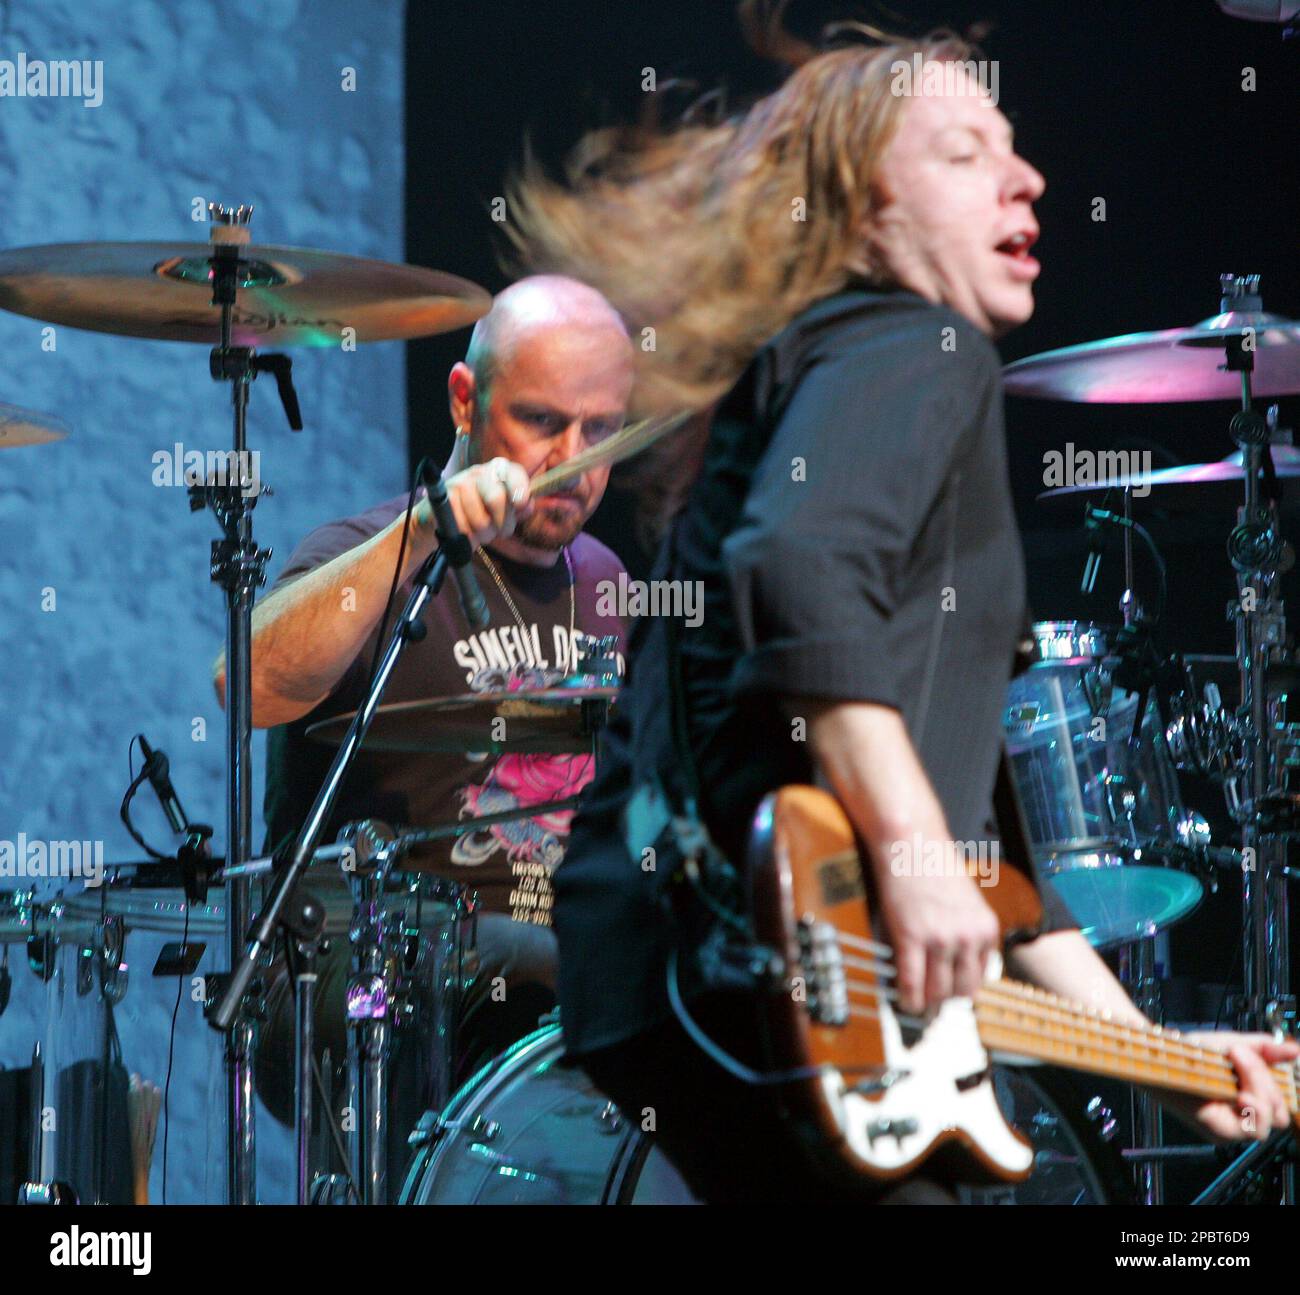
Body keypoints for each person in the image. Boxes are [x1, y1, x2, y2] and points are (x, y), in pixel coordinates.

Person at [508, 21, 1298, 1204]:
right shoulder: (917, 342)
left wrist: (1169, 1056)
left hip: (672, 957)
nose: (1025, 177)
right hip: (734, 945)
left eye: (1015, 148)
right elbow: (797, 561)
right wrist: (912, 851)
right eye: (965, 151)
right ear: (867, 205)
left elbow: (992, 868)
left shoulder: (830, 370)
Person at [212, 274, 635, 1149]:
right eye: (543, 420)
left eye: (600, 429)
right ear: (464, 399)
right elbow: (244, 684)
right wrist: (426, 532)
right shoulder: (364, 553)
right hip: (372, 958)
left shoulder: (606, 582)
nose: (572, 459)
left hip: (553, 969)